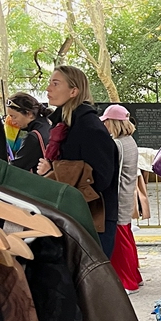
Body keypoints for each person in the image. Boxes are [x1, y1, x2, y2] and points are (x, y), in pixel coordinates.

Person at [36, 66, 119, 256]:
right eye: (49, 83)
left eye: (55, 84)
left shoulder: (89, 127)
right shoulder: (67, 125)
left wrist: (54, 170)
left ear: (74, 91)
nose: (48, 88)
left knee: (91, 281)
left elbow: (101, 177)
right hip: (76, 215)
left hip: (94, 219)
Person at [101, 104, 143, 293]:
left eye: (107, 121)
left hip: (118, 195)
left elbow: (114, 175)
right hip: (127, 193)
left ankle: (128, 282)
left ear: (113, 122)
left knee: (121, 239)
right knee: (127, 236)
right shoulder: (130, 141)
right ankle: (135, 276)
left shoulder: (117, 144)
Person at [6, 93, 51, 173]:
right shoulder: (47, 124)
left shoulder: (32, 137)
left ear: (29, 114)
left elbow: (14, 169)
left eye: (14, 117)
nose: (12, 122)